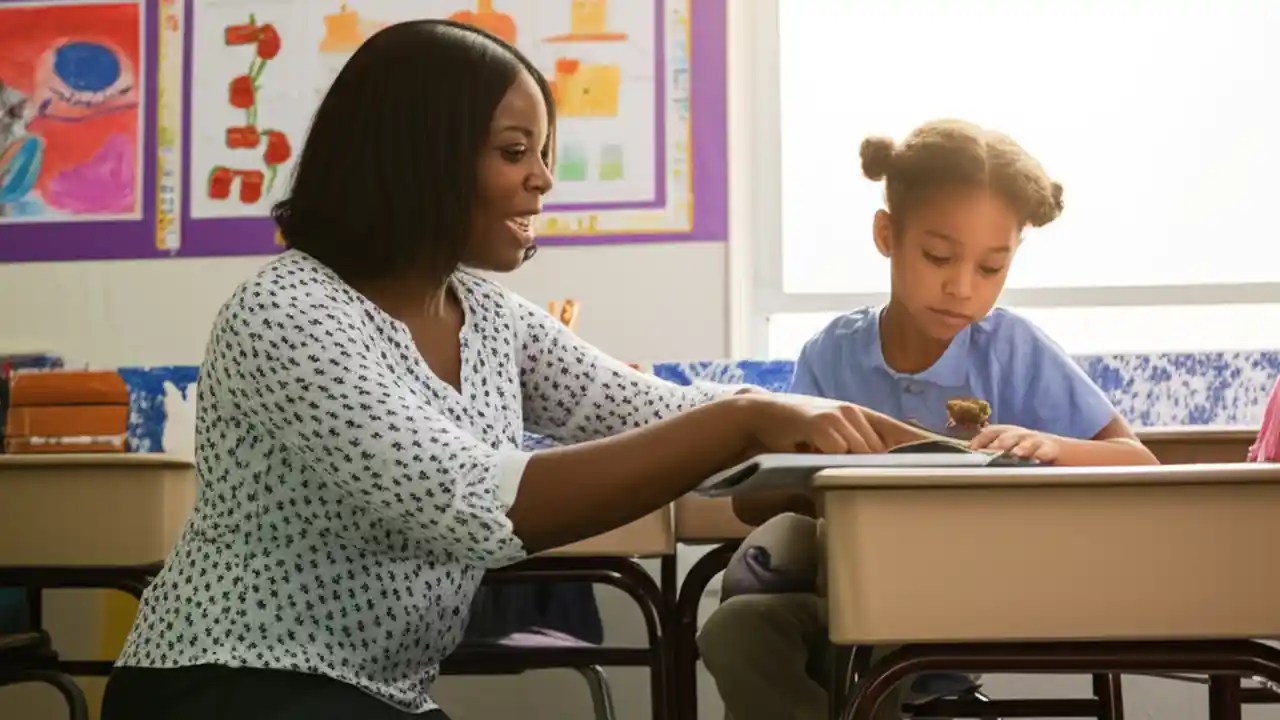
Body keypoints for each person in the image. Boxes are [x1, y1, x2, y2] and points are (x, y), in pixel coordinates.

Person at [100, 20, 927, 720]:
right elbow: (470, 502)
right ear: (417, 157)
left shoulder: (484, 314)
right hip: (227, 683)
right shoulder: (287, 312)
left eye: (543, 150)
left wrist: (916, 453)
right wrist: (745, 423)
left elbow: (647, 409)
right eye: (513, 151)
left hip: (379, 695)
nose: (542, 177)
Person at [698, 119, 1158, 720]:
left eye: (991, 268)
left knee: (888, 631)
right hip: (844, 598)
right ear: (887, 234)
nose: (962, 287)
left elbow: (1138, 463)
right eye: (938, 256)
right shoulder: (832, 352)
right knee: (736, 628)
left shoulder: (1012, 349)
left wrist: (1048, 445)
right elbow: (764, 507)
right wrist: (803, 477)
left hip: (965, 600)